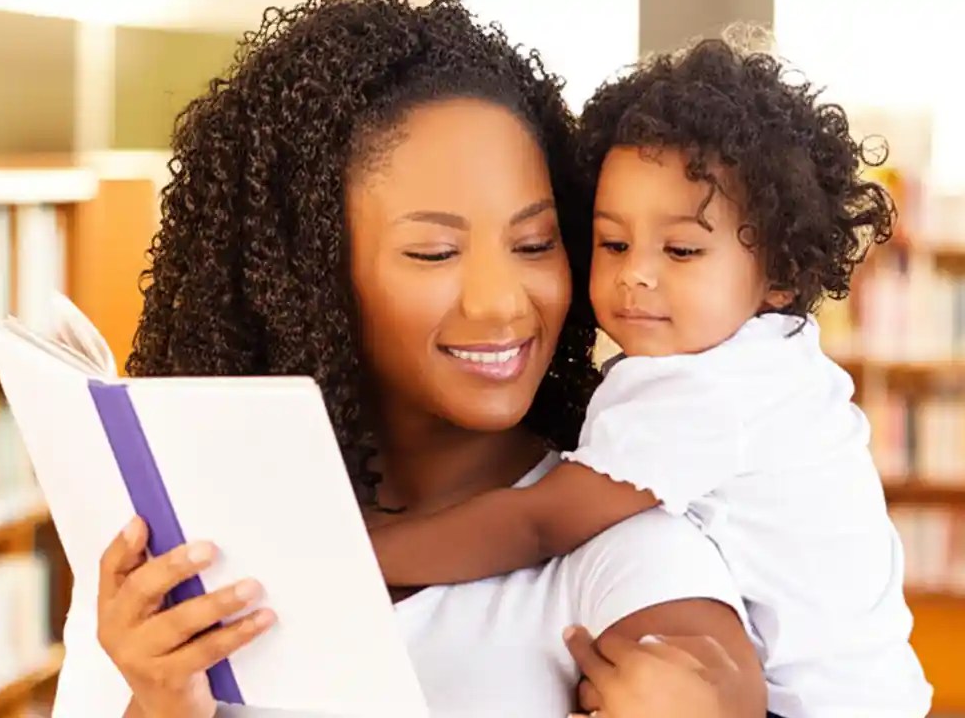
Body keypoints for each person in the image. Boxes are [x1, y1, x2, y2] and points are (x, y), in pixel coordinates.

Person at [52, 0, 768, 717]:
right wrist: (161, 706)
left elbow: (721, 685)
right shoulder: (172, 561)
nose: (501, 304)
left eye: (534, 244)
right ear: (310, 276)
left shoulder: (621, 549)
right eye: (434, 252)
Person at [368, 36, 934, 718]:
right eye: (613, 243)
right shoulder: (775, 360)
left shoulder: (709, 389)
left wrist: (360, 553)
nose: (635, 273)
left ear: (781, 275)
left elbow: (539, 522)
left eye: (682, 249)